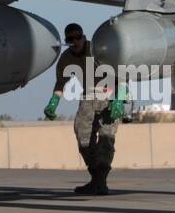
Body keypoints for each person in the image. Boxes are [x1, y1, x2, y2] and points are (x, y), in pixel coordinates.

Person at [44, 22, 125, 195]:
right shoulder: (66, 59)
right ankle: (97, 180)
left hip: (110, 95)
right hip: (88, 96)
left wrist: (120, 98)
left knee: (106, 138)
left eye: (78, 37)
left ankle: (99, 182)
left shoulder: (98, 49)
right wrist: (53, 103)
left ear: (83, 37)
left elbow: (122, 70)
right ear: (67, 40)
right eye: (71, 38)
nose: (75, 41)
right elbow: (60, 84)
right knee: (83, 136)